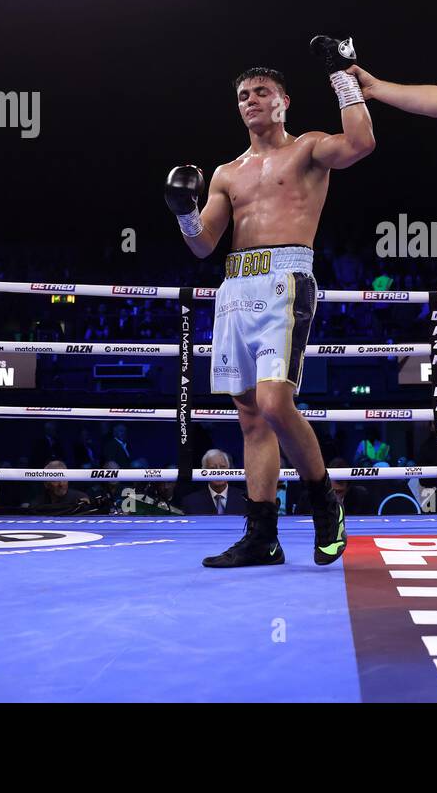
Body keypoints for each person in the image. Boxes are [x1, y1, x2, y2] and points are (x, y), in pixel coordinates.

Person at [165, 41, 374, 567]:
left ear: (284, 100)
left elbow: (362, 142)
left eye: (262, 92)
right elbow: (203, 244)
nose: (251, 100)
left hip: (285, 280)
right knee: (251, 417)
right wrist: (184, 211)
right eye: (243, 94)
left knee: (277, 403)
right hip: (235, 287)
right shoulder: (226, 172)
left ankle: (326, 505)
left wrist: (342, 77)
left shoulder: (307, 148)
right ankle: (263, 536)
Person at [182, 449, 248, 515]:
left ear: (229, 469)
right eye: (213, 468)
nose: (218, 472)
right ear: (204, 472)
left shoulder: (245, 499)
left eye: (222, 467)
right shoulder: (191, 502)